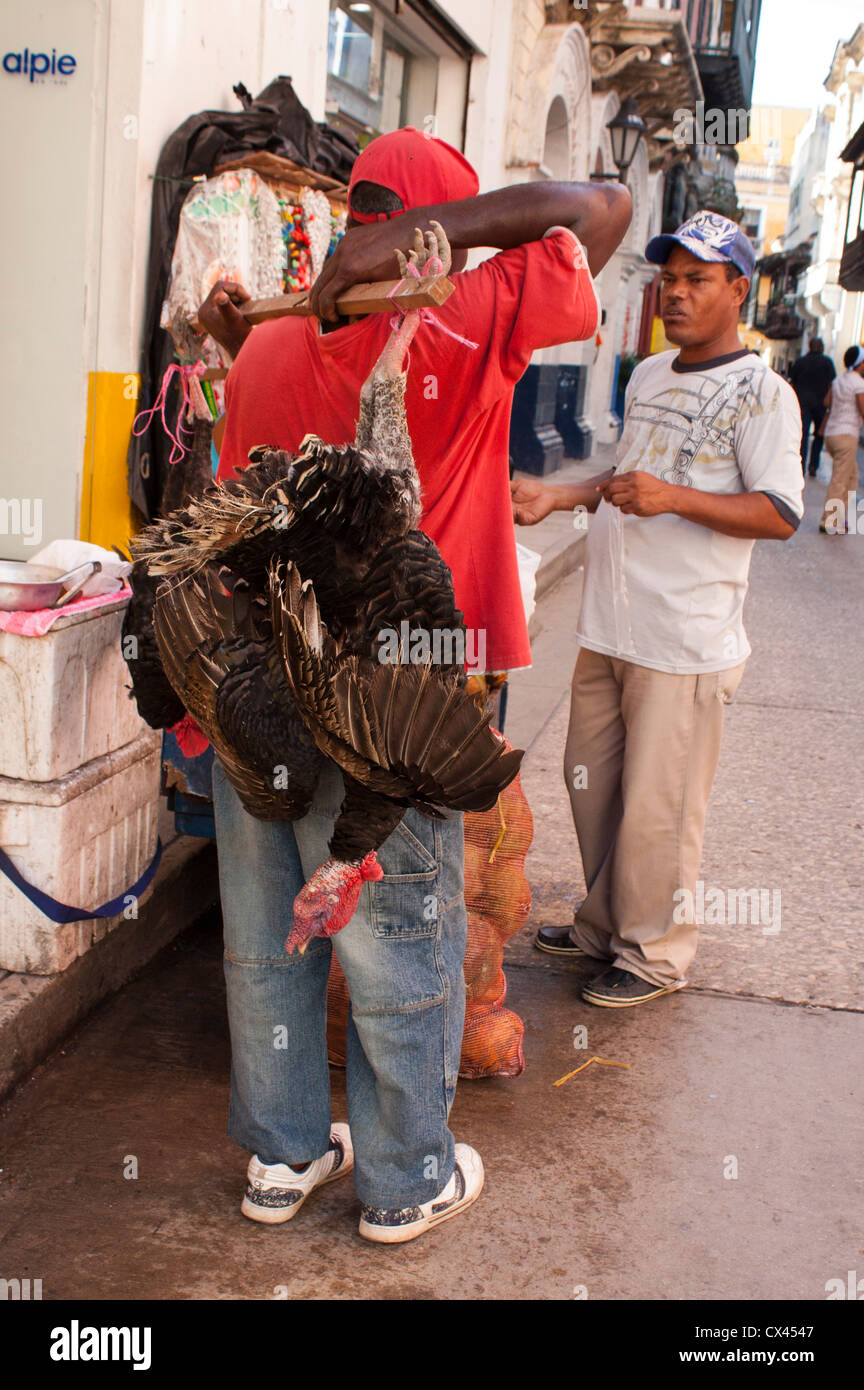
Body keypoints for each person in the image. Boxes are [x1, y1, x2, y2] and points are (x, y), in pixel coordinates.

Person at [197, 127, 632, 1239]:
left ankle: (282, 1157)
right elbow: (602, 208)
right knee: (398, 933)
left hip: (256, 684)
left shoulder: (262, 351)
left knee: (265, 934)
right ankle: (403, 1178)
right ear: (433, 234)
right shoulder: (464, 312)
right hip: (396, 691)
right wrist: (436, 241)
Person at [512, 209, 804, 1007]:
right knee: (594, 788)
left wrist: (675, 497)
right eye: (668, 279)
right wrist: (559, 495)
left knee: (659, 811)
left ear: (738, 291)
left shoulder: (762, 394)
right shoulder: (646, 374)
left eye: (696, 280)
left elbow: (780, 512)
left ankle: (656, 954)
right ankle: (605, 926)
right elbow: (625, 483)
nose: (674, 294)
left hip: (686, 637)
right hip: (611, 624)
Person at [819, 344, 864, 534]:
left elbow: (827, 402)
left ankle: (841, 517)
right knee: (839, 480)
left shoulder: (838, 380)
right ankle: (829, 521)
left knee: (852, 477)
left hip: (832, 434)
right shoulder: (858, 383)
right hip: (847, 435)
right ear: (861, 363)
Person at [789, 337, 836, 476]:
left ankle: (801, 466)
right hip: (820, 405)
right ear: (821, 347)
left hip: (803, 404)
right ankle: (813, 465)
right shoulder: (827, 362)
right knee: (819, 436)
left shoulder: (800, 361)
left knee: (802, 437)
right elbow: (832, 384)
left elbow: (792, 381)